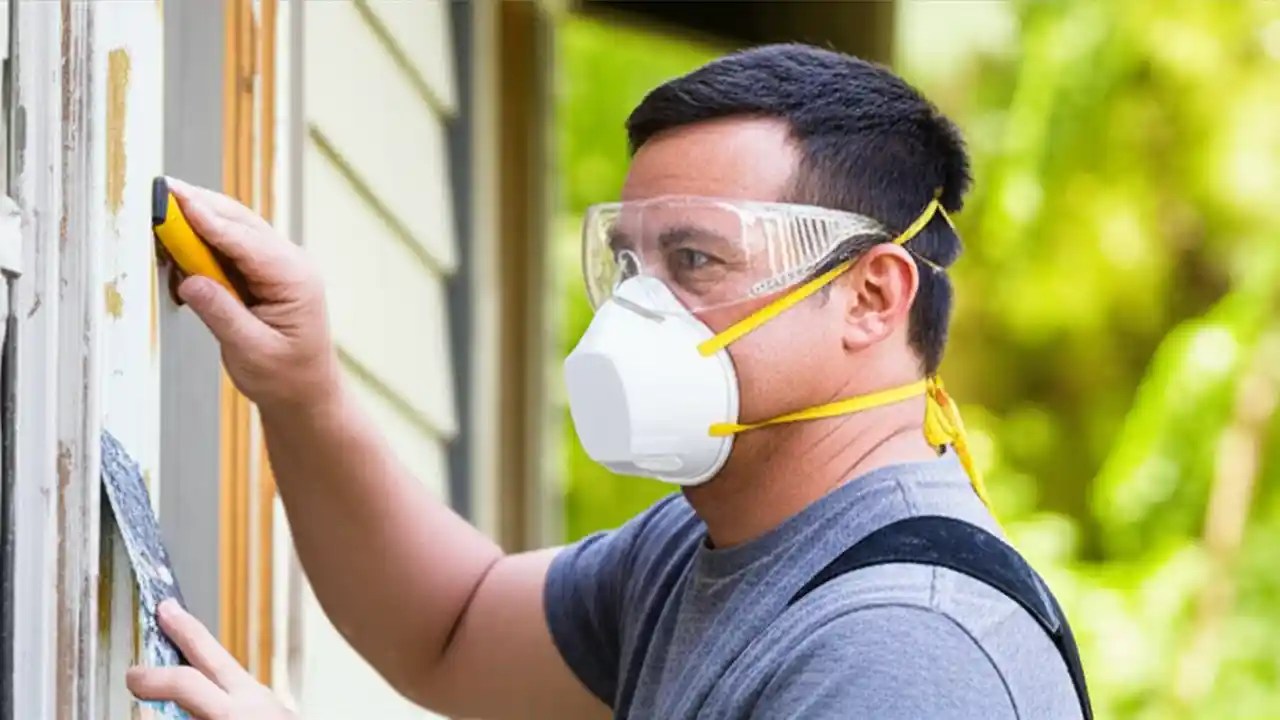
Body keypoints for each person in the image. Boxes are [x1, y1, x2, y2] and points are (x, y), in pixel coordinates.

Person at [128, 44, 1089, 719]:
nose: (642, 309)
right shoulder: (707, 543)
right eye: (629, 263)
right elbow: (450, 630)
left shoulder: (907, 652)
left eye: (696, 260)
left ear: (872, 297)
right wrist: (302, 388)